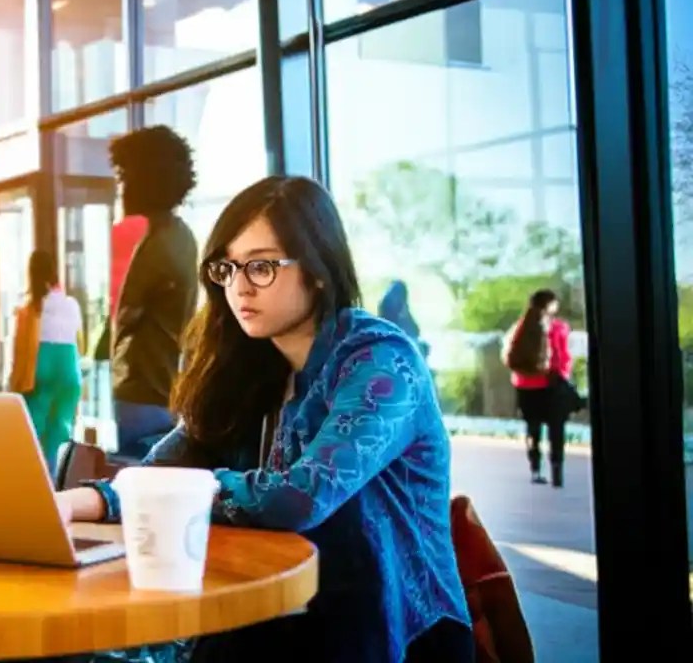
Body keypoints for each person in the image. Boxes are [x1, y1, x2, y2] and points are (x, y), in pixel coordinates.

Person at [55, 176, 471, 662]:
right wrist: (66, 504)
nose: (239, 287)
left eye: (261, 267)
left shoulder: (380, 360)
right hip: (282, 615)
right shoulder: (249, 368)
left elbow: (302, 496)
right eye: (227, 268)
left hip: (394, 631)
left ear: (316, 268)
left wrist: (188, 489)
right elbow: (161, 472)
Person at [106, 126, 199, 459]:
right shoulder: (182, 236)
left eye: (123, 175)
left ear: (145, 177)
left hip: (138, 395)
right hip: (165, 393)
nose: (121, 187)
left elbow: (123, 313)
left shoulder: (154, 244)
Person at [9, 251, 83, 473]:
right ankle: (57, 483)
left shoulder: (29, 309)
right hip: (69, 367)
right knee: (60, 432)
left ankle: (36, 483)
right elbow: (81, 341)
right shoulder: (71, 304)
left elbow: (21, 353)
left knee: (33, 432)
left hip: (41, 365)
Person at [503, 289, 576, 487]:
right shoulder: (558, 328)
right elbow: (563, 359)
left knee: (532, 429)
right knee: (556, 429)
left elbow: (511, 357)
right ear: (551, 305)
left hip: (525, 387)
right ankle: (557, 470)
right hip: (550, 387)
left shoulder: (519, 327)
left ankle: (535, 470)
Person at [377, 279, 430, 359]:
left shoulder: (387, 303)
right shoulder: (398, 305)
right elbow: (414, 330)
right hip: (397, 340)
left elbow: (415, 330)